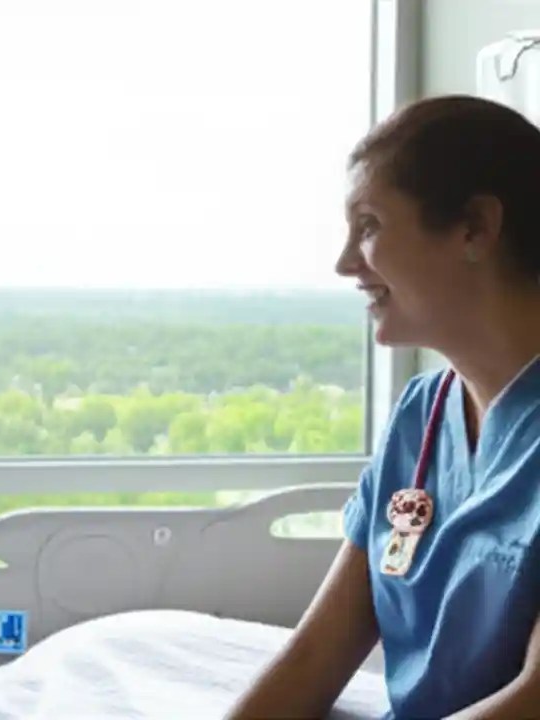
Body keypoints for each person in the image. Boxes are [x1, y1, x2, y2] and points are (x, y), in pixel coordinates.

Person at [227, 94, 540, 719]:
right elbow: (315, 657)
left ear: (474, 226)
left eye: (368, 225)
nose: (345, 262)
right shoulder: (422, 415)